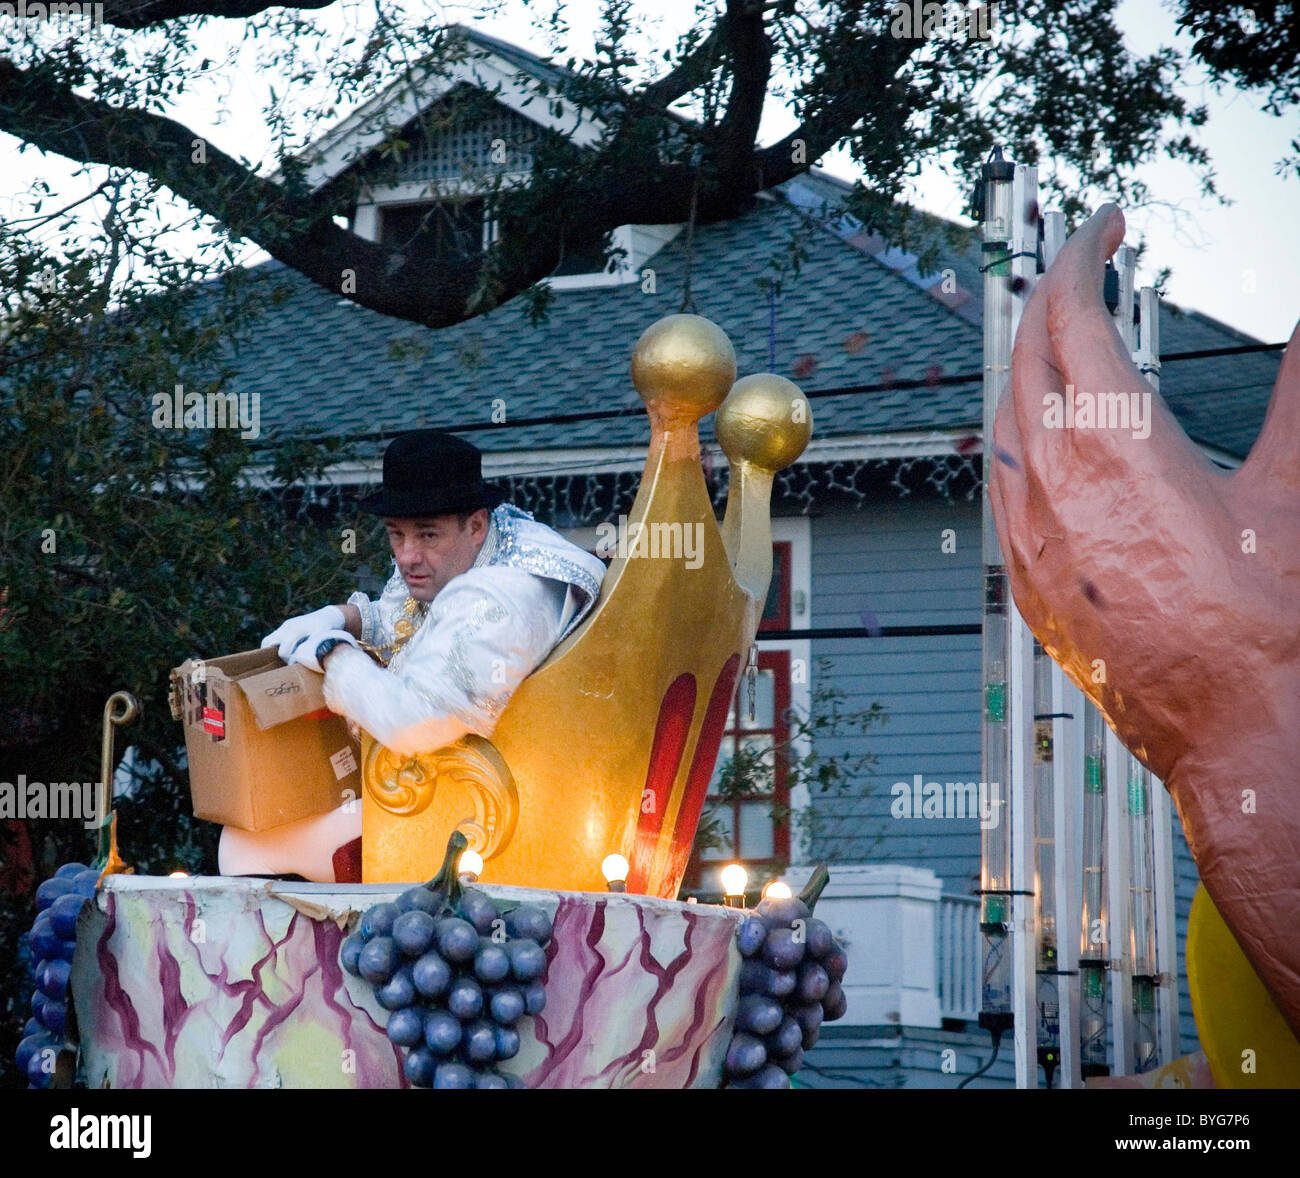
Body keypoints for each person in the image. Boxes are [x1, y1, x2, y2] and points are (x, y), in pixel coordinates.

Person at [217, 429, 606, 881]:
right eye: (395, 535)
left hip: (485, 819)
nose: (407, 556)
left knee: (243, 844)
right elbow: (408, 618)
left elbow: (414, 719)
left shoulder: (501, 596)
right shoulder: (495, 542)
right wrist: (343, 617)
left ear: (476, 524)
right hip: (485, 790)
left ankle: (318, 953)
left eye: (426, 535)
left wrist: (333, 654)